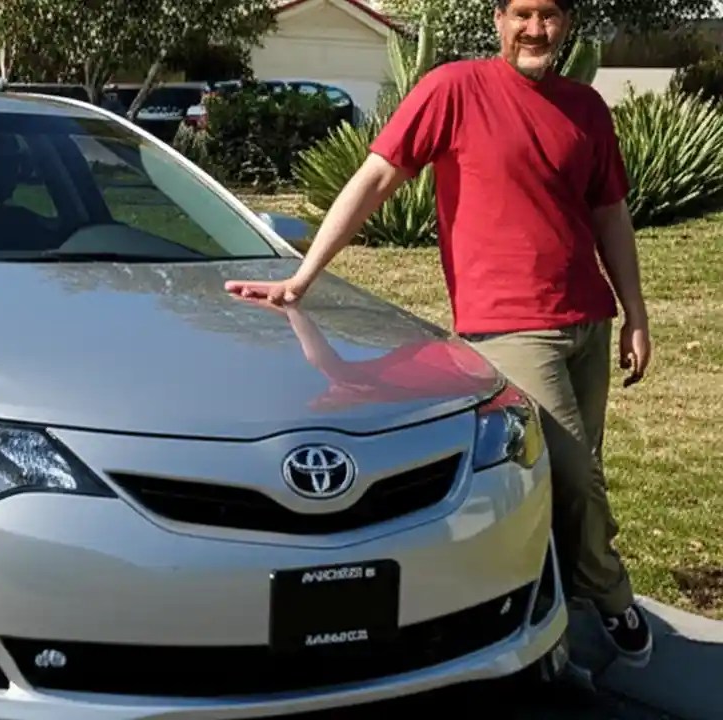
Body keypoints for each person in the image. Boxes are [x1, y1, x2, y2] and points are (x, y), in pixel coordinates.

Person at [225, 0, 654, 666]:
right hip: (510, 325)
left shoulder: (585, 109)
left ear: (567, 24)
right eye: (523, 14)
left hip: (587, 323)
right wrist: (302, 277)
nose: (536, 30)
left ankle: (551, 614)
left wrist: (635, 313)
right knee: (573, 474)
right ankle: (611, 592)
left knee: (566, 478)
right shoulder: (455, 89)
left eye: (549, 16)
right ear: (498, 19)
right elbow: (376, 178)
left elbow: (611, 215)